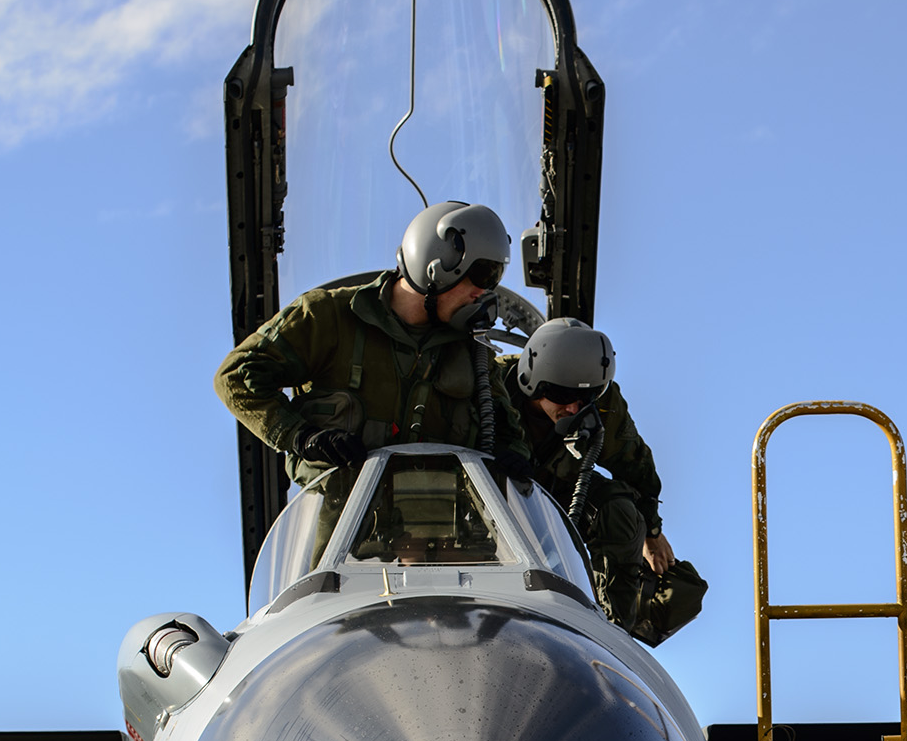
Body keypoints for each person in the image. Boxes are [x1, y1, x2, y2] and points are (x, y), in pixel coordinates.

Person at [213, 200, 532, 505]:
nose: (485, 291)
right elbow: (236, 376)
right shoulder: (328, 317)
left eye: (494, 277)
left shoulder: (472, 351)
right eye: (483, 274)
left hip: (448, 543)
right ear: (435, 264)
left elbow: (508, 432)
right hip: (341, 535)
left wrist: (512, 458)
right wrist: (302, 436)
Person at [498, 318, 705, 644]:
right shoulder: (488, 383)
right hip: (490, 497)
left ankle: (608, 635)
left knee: (619, 511)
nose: (572, 408)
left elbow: (634, 464)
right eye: (562, 396)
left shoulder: (600, 403)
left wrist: (651, 531)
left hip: (557, 493)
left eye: (585, 399)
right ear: (534, 381)